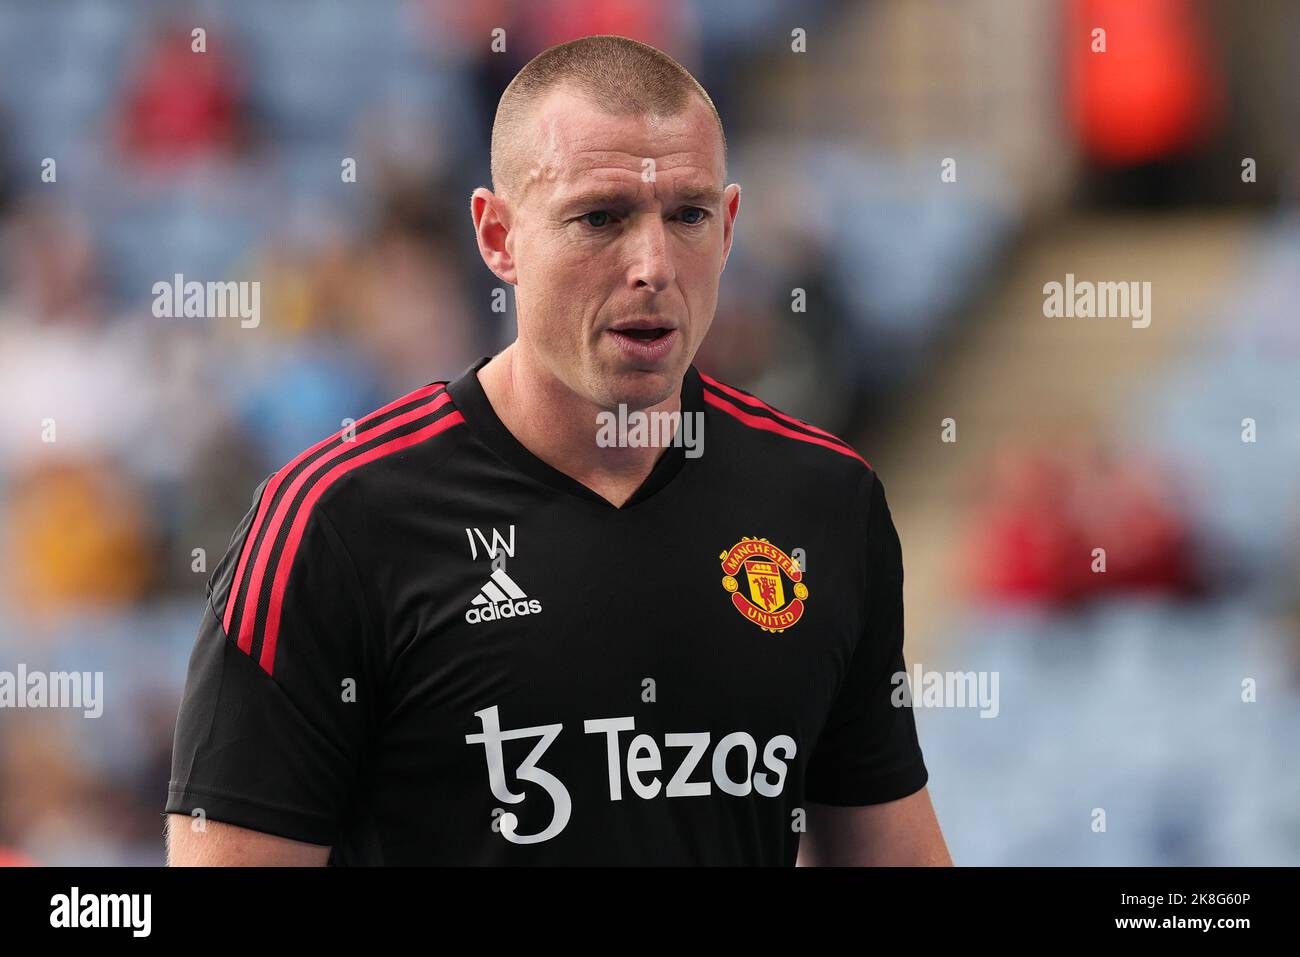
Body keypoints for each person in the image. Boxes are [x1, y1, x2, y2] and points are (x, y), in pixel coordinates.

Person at [164, 34, 951, 866]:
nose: (651, 265)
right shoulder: (333, 524)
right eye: (600, 217)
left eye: (686, 215)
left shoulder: (825, 502)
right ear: (499, 237)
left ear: (727, 230)